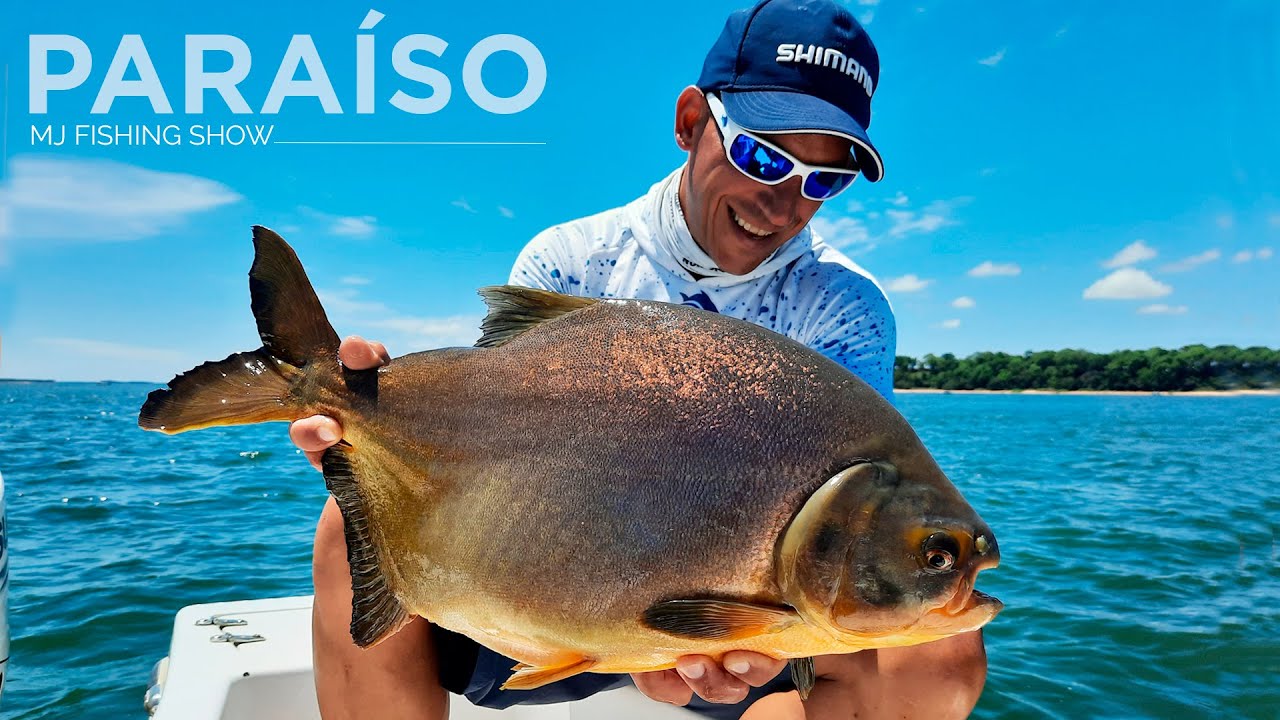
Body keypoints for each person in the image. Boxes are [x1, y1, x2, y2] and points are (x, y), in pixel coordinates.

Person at [291, 1, 989, 718]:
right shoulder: (570, 259)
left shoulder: (844, 307)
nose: (782, 204)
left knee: (939, 655)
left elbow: (855, 525)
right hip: (542, 590)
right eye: (762, 155)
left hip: (739, 634)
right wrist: (370, 440)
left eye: (823, 180)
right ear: (691, 123)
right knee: (346, 525)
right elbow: (490, 452)